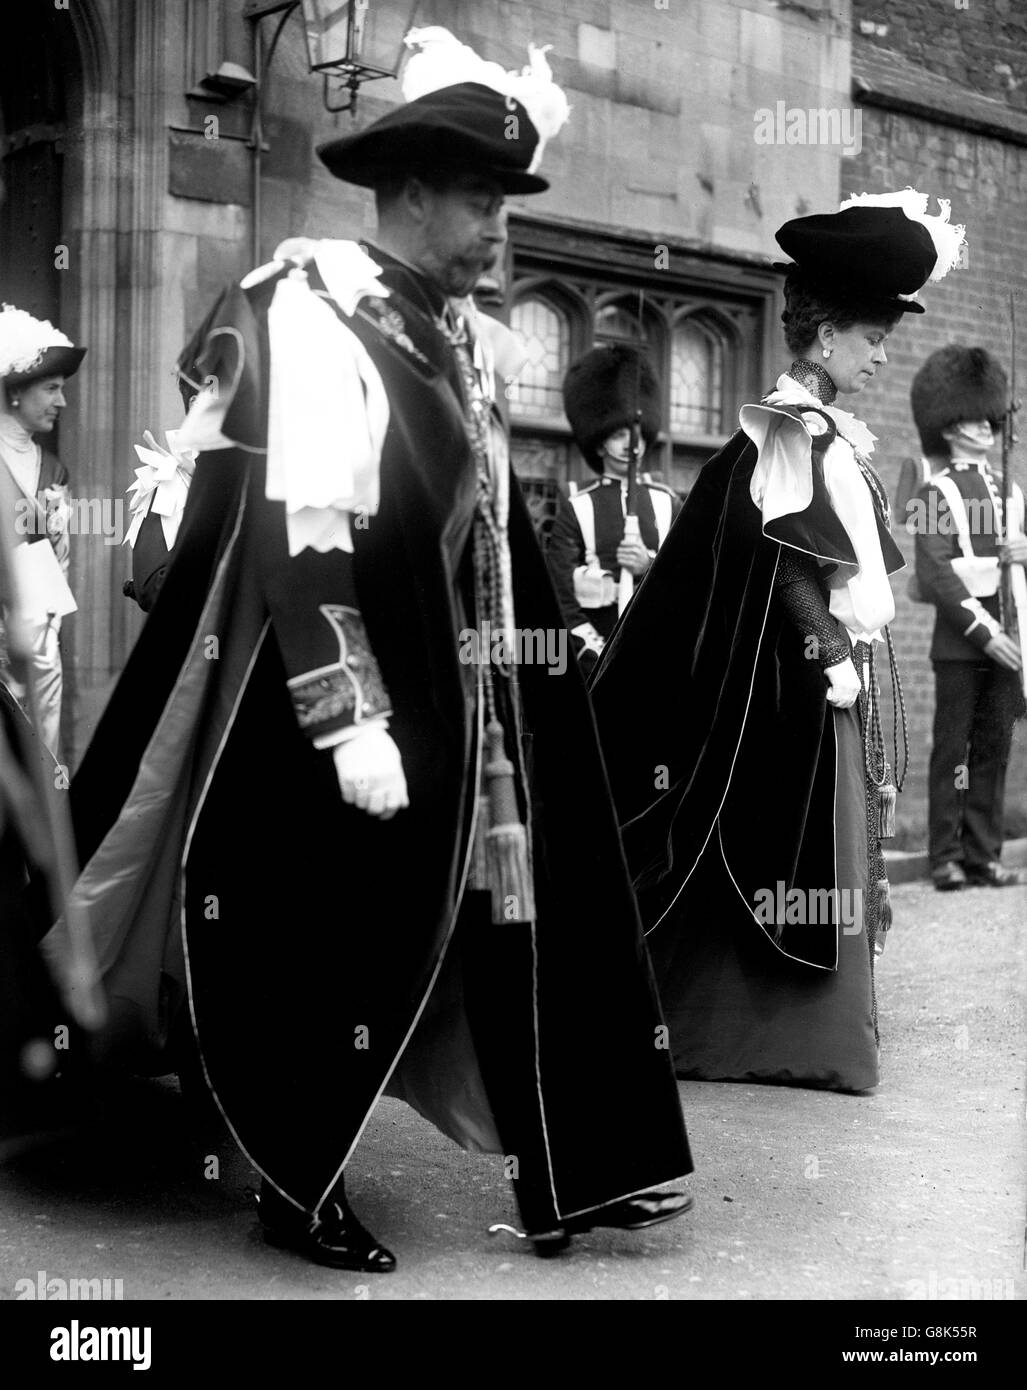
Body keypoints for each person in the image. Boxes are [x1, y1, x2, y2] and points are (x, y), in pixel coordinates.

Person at [43, 30, 692, 1272]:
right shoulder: (324, 312)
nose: (498, 226)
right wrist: (350, 716)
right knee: (335, 936)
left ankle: (570, 1161)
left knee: (529, 904)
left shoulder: (448, 328)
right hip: (343, 702)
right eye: (478, 199)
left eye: (505, 201)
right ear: (403, 192)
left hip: (478, 691)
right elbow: (306, 533)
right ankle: (298, 1179)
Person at [590, 191, 966, 1092]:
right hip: (801, 683)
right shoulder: (789, 425)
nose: (880, 357)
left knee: (823, 849)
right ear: (829, 333)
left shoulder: (823, 426)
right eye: (873, 339)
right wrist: (827, 653)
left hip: (823, 674)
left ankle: (789, 1032)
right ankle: (775, 1038)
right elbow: (787, 547)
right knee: (787, 852)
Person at [909, 346, 1027, 890]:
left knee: (995, 747)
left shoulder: (1012, 491)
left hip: (1011, 638)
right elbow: (935, 574)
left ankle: (984, 854)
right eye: (978, 419)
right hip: (962, 643)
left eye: (990, 418)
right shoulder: (934, 491)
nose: (989, 427)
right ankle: (945, 856)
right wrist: (988, 633)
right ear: (952, 427)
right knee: (952, 749)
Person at [546, 344, 680, 668]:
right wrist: (594, 652)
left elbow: (689, 577)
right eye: (619, 434)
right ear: (600, 441)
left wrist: (648, 565)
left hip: (657, 652)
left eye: (636, 434)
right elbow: (562, 595)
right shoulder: (577, 503)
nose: (630, 444)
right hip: (594, 658)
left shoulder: (667, 502)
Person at [0, 306, 84, 755]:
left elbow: (60, 565)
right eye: (51, 388)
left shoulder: (53, 470)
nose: (61, 402)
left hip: (37, 645)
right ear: (15, 391)